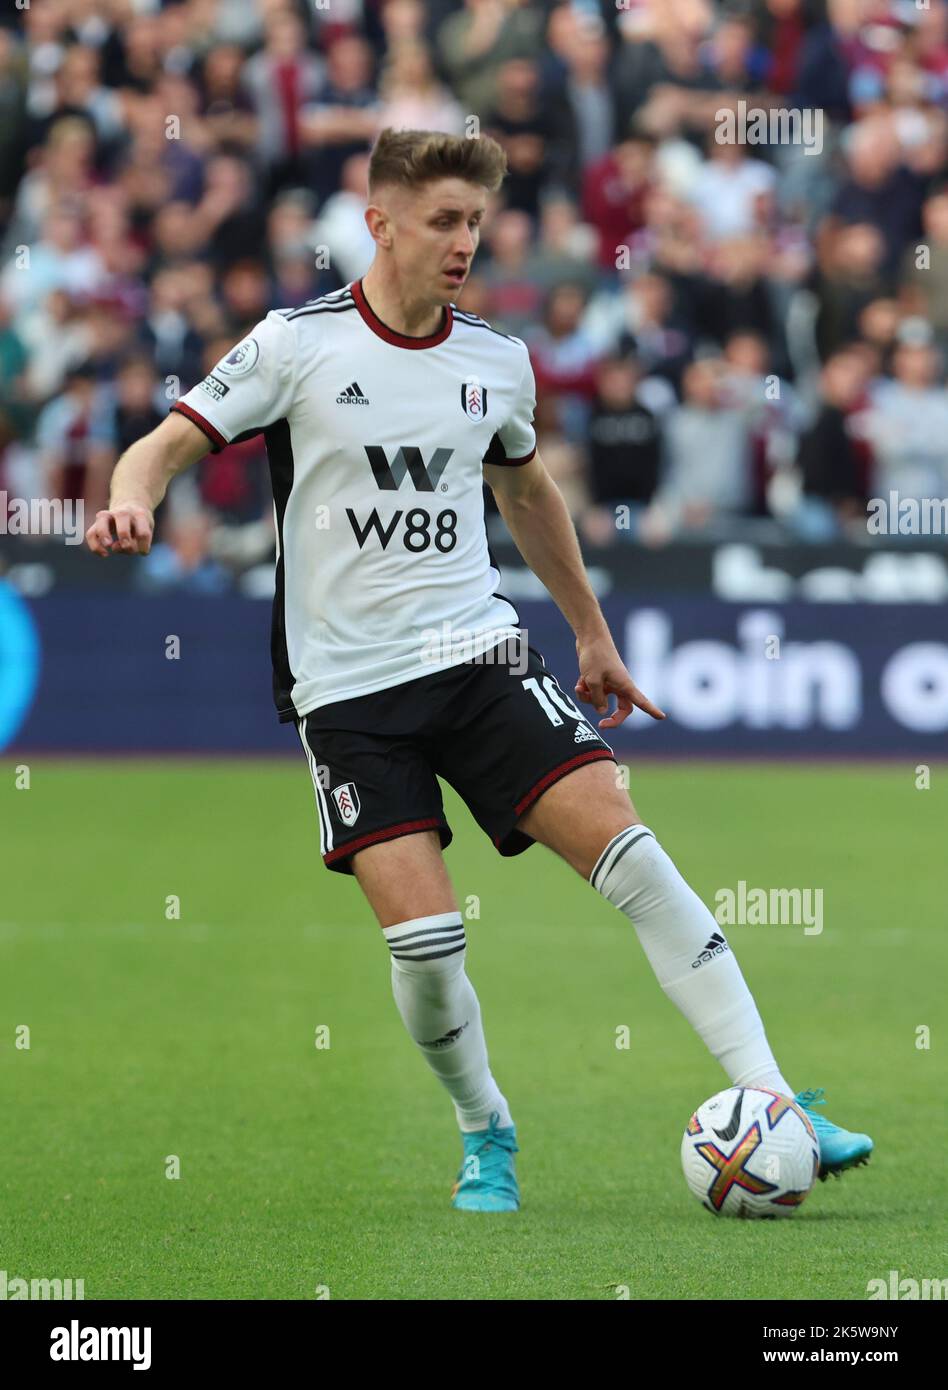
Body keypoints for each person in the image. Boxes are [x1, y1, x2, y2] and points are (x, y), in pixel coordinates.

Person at [85, 128, 872, 1212]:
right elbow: (165, 443)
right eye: (444, 221)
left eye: (475, 221)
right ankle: (484, 1127)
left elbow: (530, 493)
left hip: (481, 654)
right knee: (427, 942)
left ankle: (774, 1100)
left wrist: (592, 633)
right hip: (350, 695)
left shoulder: (494, 360)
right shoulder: (295, 345)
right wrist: (133, 496)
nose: (465, 242)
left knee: (634, 855)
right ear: (380, 225)